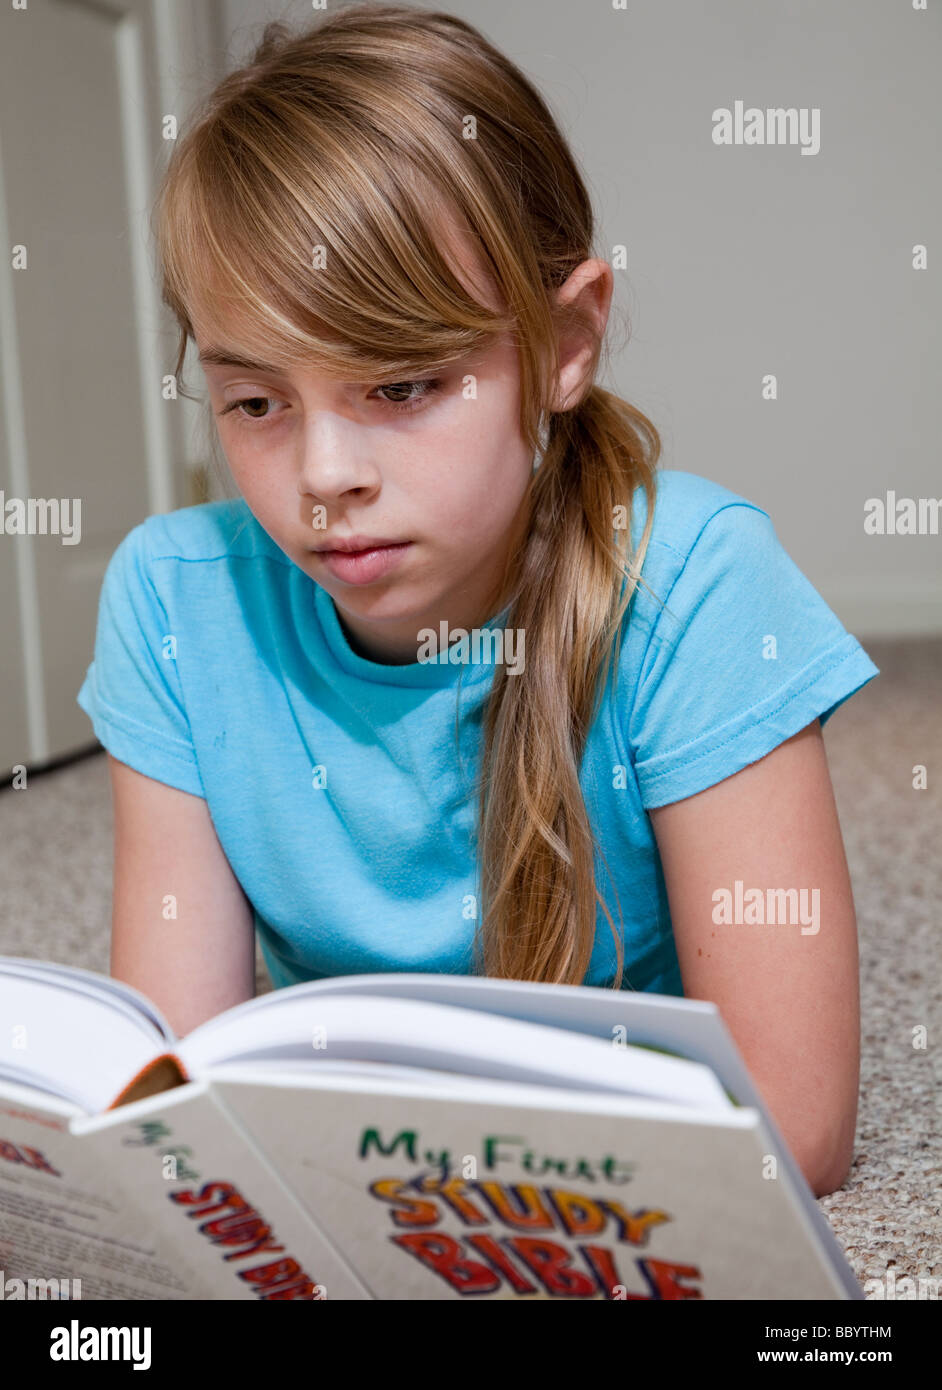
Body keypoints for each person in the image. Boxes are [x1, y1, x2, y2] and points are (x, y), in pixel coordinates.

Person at [77, 4, 878, 1197]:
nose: (323, 476)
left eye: (400, 384)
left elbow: (794, 1124)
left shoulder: (700, 582)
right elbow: (169, 1085)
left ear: (564, 344)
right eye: (256, 403)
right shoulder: (173, 599)